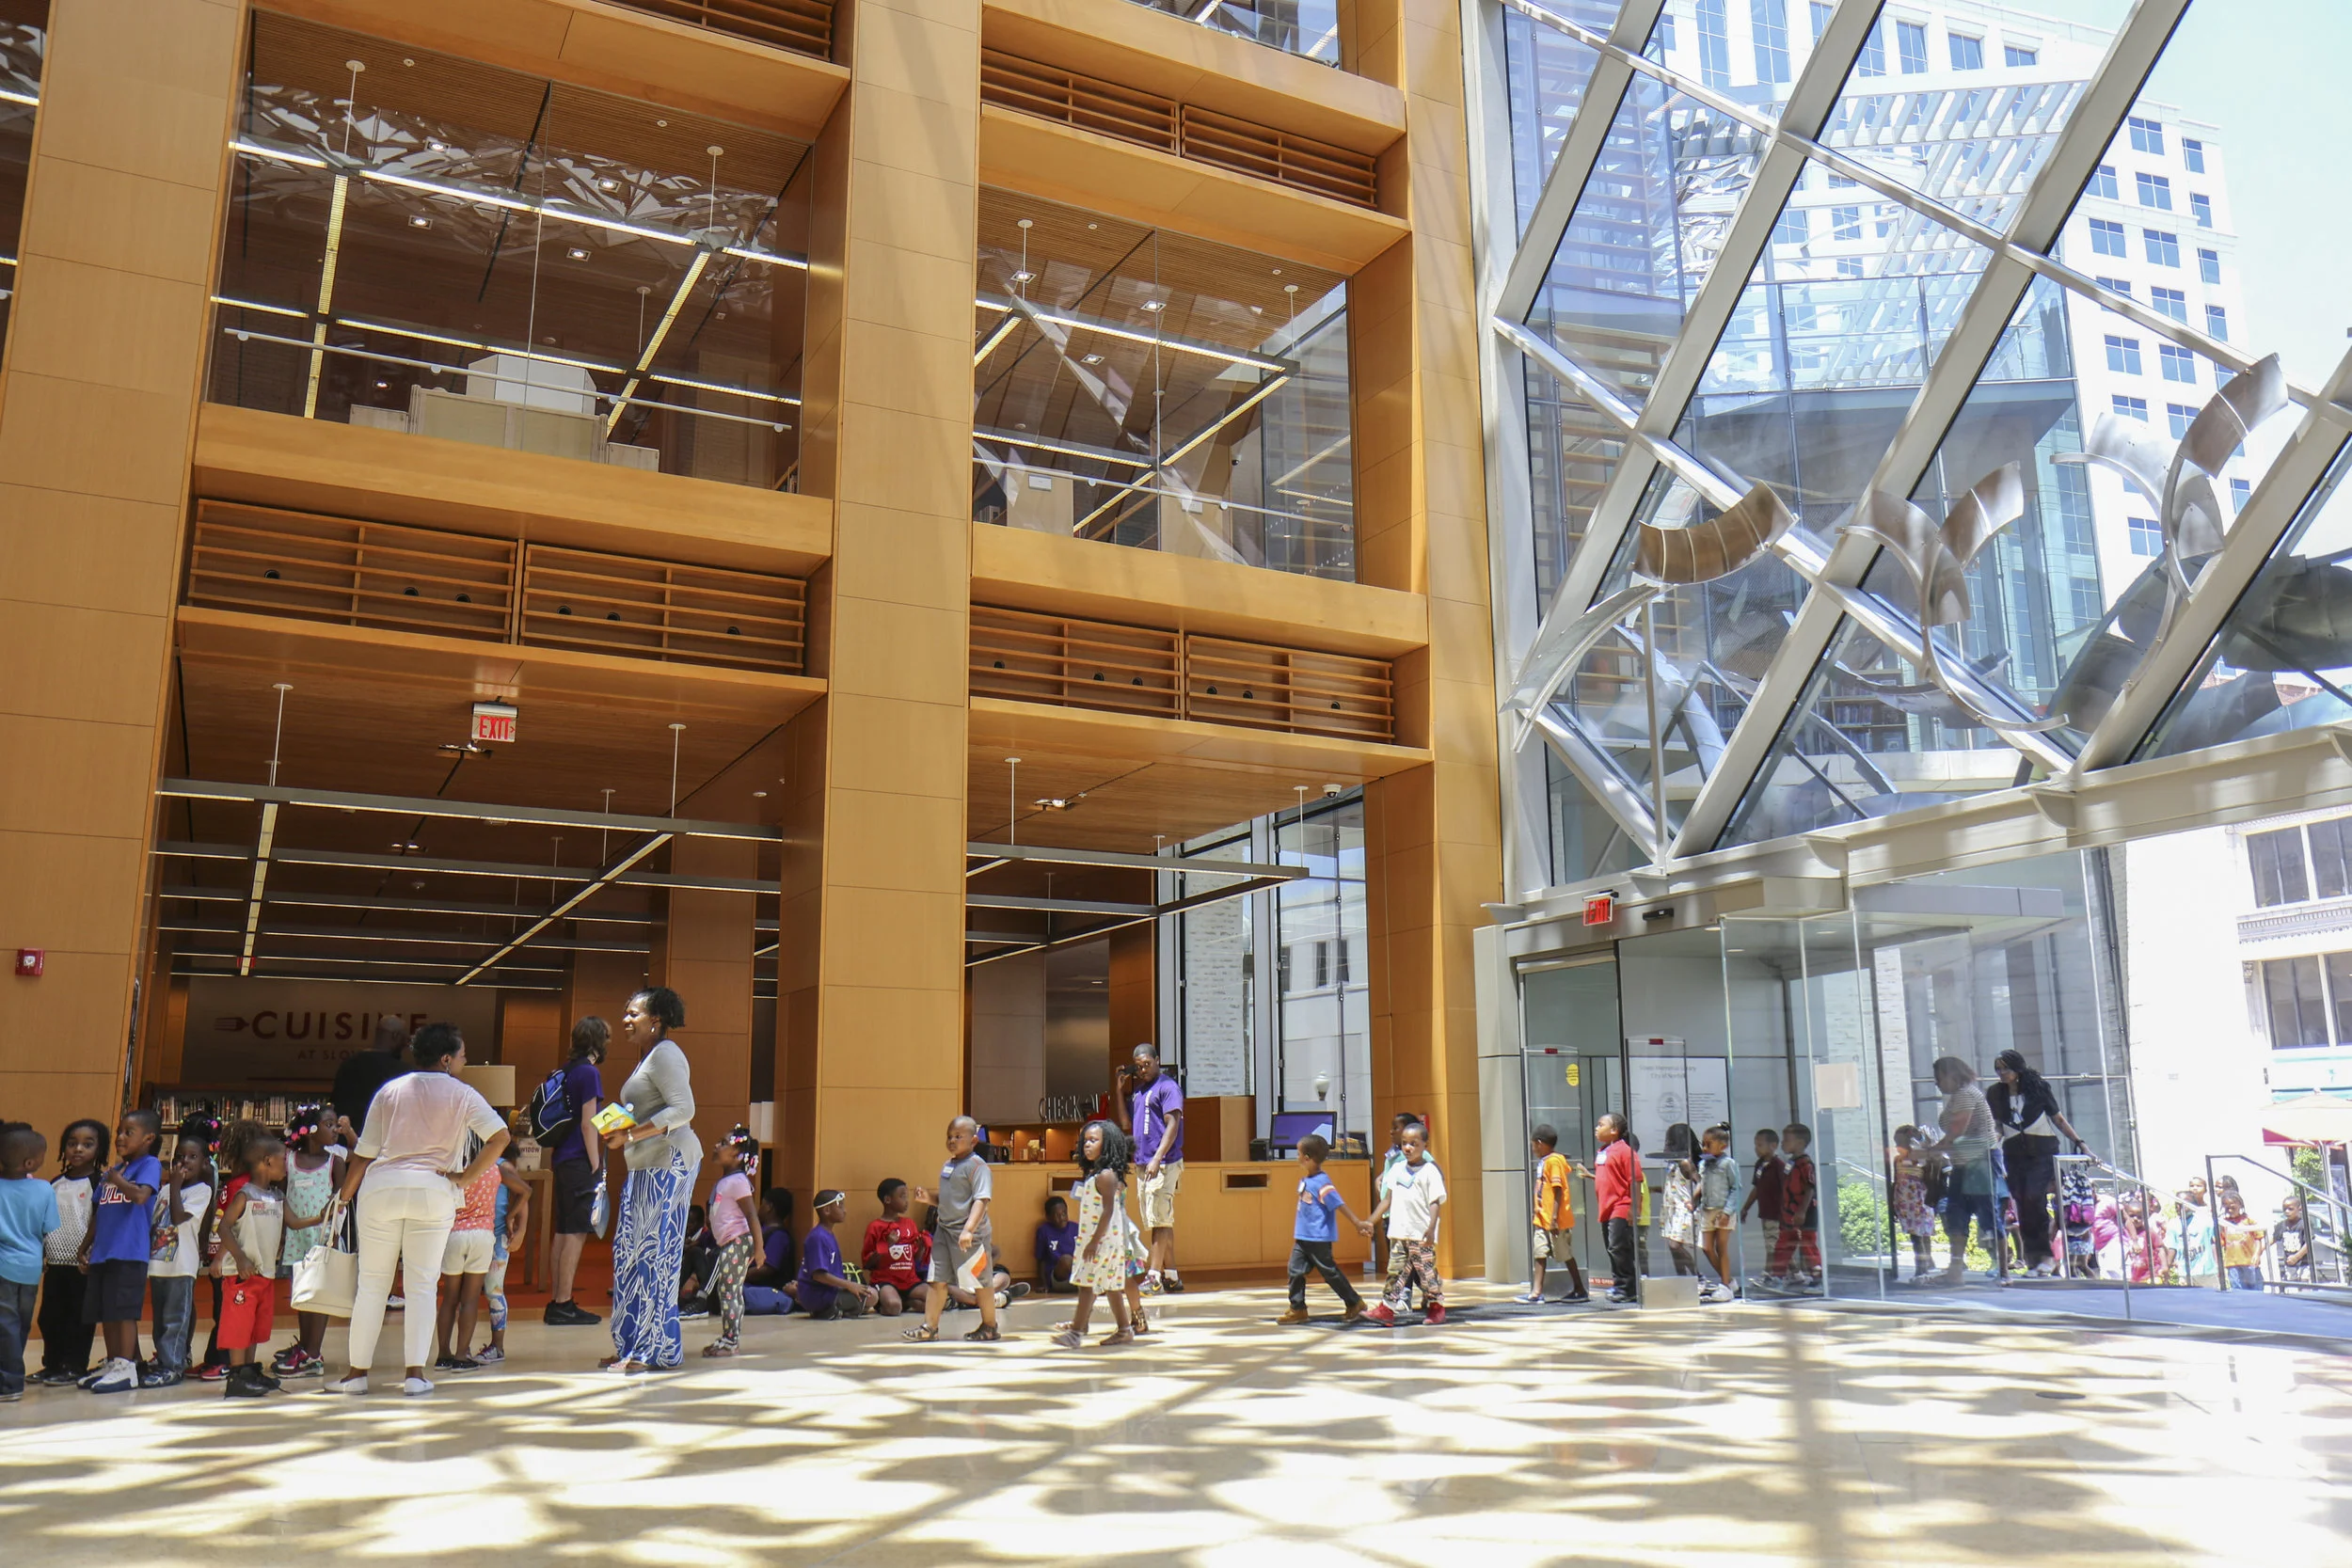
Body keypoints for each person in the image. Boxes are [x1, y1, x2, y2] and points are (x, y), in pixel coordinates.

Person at [332, 1022, 510, 1397]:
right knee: (422, 1286)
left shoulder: (391, 1090)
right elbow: (500, 1138)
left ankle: (356, 1374)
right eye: (462, 1055)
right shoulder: (463, 1095)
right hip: (434, 1191)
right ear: (446, 1059)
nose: (464, 1060)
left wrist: (344, 1198)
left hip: (381, 1190)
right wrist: (465, 1177)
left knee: (372, 1286)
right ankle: (415, 1374)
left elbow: (364, 1154)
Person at [599, 987, 701, 1374]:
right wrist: (624, 1131)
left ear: (656, 1019)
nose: (626, 1019)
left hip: (668, 1163)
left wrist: (632, 1134)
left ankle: (654, 1349)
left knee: (655, 1255)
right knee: (629, 1255)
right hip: (645, 1167)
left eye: (634, 1013)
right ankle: (629, 1343)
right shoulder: (651, 1057)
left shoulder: (666, 1055)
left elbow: (684, 1108)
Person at [77, 1110, 161, 1395]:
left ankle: (128, 1367)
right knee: (107, 1311)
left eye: (128, 1132)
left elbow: (140, 1196)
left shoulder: (149, 1165)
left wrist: (116, 1180)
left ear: (148, 1138)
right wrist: (85, 1245)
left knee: (124, 1311)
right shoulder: (115, 1171)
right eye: (119, 1132)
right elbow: (99, 1211)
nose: (120, 1138)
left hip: (129, 1252)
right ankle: (114, 1363)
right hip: (104, 1251)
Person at [905, 1116, 1007, 1343]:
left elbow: (981, 1200)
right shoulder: (949, 1164)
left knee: (981, 1282)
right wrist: (929, 1198)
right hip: (944, 1231)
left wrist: (969, 1230)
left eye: (958, 1136)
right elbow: (949, 1200)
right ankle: (929, 1327)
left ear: (973, 1140)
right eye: (949, 1136)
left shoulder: (978, 1167)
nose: (952, 1140)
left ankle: (990, 1326)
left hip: (969, 1236)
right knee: (936, 1279)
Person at [1986, 1049, 2087, 1278]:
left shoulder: (2038, 1089)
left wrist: (2080, 1143)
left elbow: (2057, 1118)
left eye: (2006, 1068)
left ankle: (2047, 1257)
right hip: (2014, 1152)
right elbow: (1999, 1125)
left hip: (2041, 1150)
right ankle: (2034, 1260)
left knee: (2033, 1196)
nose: (2001, 1073)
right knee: (2021, 1202)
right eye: (1998, 1069)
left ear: (2017, 1068)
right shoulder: (1995, 1093)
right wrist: (1991, 1142)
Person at [541, 1016, 610, 1327]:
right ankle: (565, 1301)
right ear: (598, 1041)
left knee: (563, 1230)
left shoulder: (564, 1070)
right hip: (579, 1160)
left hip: (561, 1159)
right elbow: (588, 1123)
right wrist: (596, 1163)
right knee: (577, 1232)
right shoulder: (589, 1073)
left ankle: (558, 1300)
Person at [1055, 1120, 1145, 1347]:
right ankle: (1124, 1329)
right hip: (1100, 1239)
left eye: (1094, 1141)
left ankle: (1076, 1333)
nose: (1087, 1145)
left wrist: (1094, 1242)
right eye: (1086, 1140)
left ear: (1107, 1145)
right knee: (1112, 1286)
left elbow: (1108, 1210)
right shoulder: (1097, 1174)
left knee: (1087, 1284)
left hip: (1101, 1240)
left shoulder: (1105, 1176)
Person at [215, 1127, 289, 1400]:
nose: (286, 1165)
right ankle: (236, 1377)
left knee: (256, 1326)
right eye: (283, 1160)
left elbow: (291, 1222)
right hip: (243, 1274)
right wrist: (237, 1257)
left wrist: (324, 1214)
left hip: (266, 1273)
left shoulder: (277, 1196)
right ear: (268, 1161)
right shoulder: (244, 1193)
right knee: (239, 1325)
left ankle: (248, 1370)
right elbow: (226, 1227)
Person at [270, 1108, 342, 1378]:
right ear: (312, 1129)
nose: (335, 1129)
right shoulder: (289, 1161)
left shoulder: (335, 1163)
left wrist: (334, 1232)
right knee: (302, 1296)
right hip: (297, 1238)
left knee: (319, 1296)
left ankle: (313, 1354)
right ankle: (305, 1345)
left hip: (323, 1239)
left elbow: (340, 1201)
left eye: (335, 1124)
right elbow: (283, 1193)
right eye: (329, 1124)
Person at [32, 1118, 103, 1386]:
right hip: (56, 1262)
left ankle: (74, 1365)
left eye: (87, 1144)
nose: (78, 1149)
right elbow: (44, 1222)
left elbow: (99, 1220)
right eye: (72, 1144)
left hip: (82, 1263)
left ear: (100, 1148)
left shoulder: (98, 1182)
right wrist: (42, 1254)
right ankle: (51, 1364)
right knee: (50, 1316)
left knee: (78, 1316)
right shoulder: (55, 1183)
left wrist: (90, 1253)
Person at [1112, 1042, 1185, 1295]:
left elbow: (1172, 1124)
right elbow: (1125, 1123)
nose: (1143, 1070)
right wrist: (1120, 1092)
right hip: (1143, 1162)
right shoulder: (1140, 1091)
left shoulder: (1168, 1087)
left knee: (1158, 1220)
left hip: (1163, 1163)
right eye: (1139, 1067)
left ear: (1157, 1061)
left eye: (1147, 1064)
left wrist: (1157, 1158)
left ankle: (1154, 1276)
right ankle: (1172, 1276)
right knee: (1159, 1218)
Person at [142, 1135, 212, 1388]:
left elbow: (180, 1217)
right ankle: (165, 1359)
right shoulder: (163, 1190)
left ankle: (172, 1367)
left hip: (181, 1265)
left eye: (192, 1157)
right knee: (160, 1319)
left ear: (204, 1163)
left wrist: (174, 1185)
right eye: (180, 1156)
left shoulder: (201, 1191)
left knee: (175, 1319)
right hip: (158, 1264)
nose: (184, 1161)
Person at [1278, 1132, 1368, 1325]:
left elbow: (1338, 1204)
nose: (1297, 1157)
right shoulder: (1305, 1180)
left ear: (1307, 1158)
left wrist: (1357, 1223)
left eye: (1298, 1153)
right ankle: (1298, 1308)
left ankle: (1354, 1302)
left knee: (1330, 1273)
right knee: (1295, 1270)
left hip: (1318, 1238)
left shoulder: (1322, 1183)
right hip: (1303, 1237)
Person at [433, 1132, 502, 1374]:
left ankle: (443, 1355)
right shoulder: (493, 1169)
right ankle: (462, 1355)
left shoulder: (449, 1171)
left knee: (449, 1298)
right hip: (482, 1236)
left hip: (453, 1235)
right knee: (470, 1299)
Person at [1365, 1120, 1447, 1325]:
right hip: (1399, 1232)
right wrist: (1371, 1221)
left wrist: (1431, 1228)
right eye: (1404, 1143)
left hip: (1421, 1234)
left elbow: (1435, 1202)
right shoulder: (1397, 1169)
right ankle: (1387, 1309)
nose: (1408, 1148)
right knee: (1395, 1270)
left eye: (1413, 1143)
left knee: (1426, 1272)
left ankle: (1436, 1307)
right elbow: (1387, 1200)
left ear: (1425, 1146)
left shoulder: (1430, 1171)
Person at [1931, 1057, 2001, 1286]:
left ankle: (2003, 1270)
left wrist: (1933, 1150)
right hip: (1965, 1162)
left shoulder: (1966, 1095)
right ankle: (1955, 1269)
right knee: (1957, 1214)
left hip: (1979, 1162)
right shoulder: (1961, 1096)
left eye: (1938, 1078)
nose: (1937, 1084)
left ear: (1951, 1076)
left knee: (1987, 1213)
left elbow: (1956, 1131)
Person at [0, 1124, 57, 1402]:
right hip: (32, 1268)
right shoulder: (44, 1189)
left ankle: (9, 1382)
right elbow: (49, 1227)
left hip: (3, 1267)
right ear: (30, 1163)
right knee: (20, 1324)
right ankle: (11, 1376)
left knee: (5, 1324)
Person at [702, 1127, 761, 1355]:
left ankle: (731, 1341)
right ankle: (729, 1337)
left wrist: (759, 1248)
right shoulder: (727, 1180)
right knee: (727, 1290)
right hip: (729, 1243)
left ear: (737, 1153)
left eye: (723, 1143)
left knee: (729, 1291)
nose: (717, 1146)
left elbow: (751, 1216)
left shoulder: (738, 1181)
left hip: (737, 1242)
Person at [1523, 1123, 1586, 1304]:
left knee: (1564, 1254)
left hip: (1556, 1220)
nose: (1533, 1148)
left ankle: (1579, 1288)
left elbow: (1558, 1190)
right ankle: (1536, 1292)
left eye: (1533, 1144)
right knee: (1540, 1252)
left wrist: (1553, 1219)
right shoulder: (1544, 1162)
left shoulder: (1554, 1161)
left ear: (1540, 1143)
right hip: (1541, 1218)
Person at [476, 1150, 529, 1364]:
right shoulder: (466, 1161)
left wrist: (520, 1227)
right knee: (468, 1293)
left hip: (497, 1237)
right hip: (474, 1234)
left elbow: (524, 1195)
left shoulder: (502, 1166)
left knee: (493, 1290)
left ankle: (498, 1346)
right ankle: (461, 1350)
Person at [332, 1015, 414, 1148]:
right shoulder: (402, 1072)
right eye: (405, 1039)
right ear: (395, 1036)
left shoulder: (349, 1064)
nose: (406, 1044)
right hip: (382, 1147)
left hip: (345, 1144)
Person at [798, 1190, 878, 1320]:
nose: (844, 1210)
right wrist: (849, 1285)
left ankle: (835, 1310)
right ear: (827, 1210)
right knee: (871, 1296)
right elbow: (818, 1275)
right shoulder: (818, 1237)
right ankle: (827, 1309)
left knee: (870, 1294)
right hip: (818, 1293)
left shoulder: (827, 1234)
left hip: (827, 1290)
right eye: (840, 1206)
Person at [862, 1180, 929, 1318]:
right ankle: (887, 1302)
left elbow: (915, 1259)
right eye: (902, 1196)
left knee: (935, 1302)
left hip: (910, 1280)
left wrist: (921, 1246)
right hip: (886, 1280)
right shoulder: (875, 1226)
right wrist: (886, 1245)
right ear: (887, 1200)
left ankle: (906, 1301)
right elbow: (867, 1263)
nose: (907, 1201)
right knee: (893, 1308)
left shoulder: (909, 1223)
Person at [1591, 1111, 1638, 1305]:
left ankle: (1627, 1288)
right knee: (1612, 1248)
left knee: (1619, 1248)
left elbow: (1634, 1180)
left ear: (1614, 1130)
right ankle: (1618, 1284)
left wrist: (1633, 1209)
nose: (1597, 1128)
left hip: (1621, 1206)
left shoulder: (1625, 1151)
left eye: (1601, 1125)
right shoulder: (1603, 1151)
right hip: (1605, 1208)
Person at [1770, 1122, 1821, 1289]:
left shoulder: (1805, 1164)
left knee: (1808, 1246)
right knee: (1783, 1246)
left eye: (1787, 1140)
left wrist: (1802, 1211)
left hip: (1802, 1215)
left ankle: (1818, 1278)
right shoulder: (1791, 1163)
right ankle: (1778, 1276)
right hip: (1789, 1215)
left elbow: (1810, 1188)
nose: (1783, 1143)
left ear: (1799, 1143)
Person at [1696, 1124, 1739, 1302]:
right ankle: (1728, 1281)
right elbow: (1701, 1185)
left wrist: (1728, 1212)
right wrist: (1693, 1201)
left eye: (1709, 1144)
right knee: (1706, 1248)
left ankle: (1725, 1286)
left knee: (1721, 1247)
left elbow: (1736, 1188)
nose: (1705, 1148)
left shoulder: (1729, 1164)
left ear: (1722, 1146)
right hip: (1707, 1210)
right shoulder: (1703, 1164)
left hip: (1723, 1211)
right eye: (1703, 1144)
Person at [1890, 1126, 1938, 1280]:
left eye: (1900, 1142)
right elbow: (1895, 1180)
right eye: (1896, 1142)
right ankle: (1924, 1264)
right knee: (1916, 1235)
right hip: (1905, 1202)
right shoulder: (1897, 1160)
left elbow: (1931, 1175)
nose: (1897, 1146)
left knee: (1920, 1235)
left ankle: (1922, 1267)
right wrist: (1893, 1204)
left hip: (1919, 1200)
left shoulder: (1920, 1157)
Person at [1738, 1126, 1783, 1286]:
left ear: (1773, 1145)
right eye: (1755, 1145)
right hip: (1765, 1212)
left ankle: (1767, 1274)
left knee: (1773, 1246)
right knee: (1775, 1244)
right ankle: (1796, 1274)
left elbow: (1785, 1189)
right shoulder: (1760, 1164)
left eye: (1760, 1145)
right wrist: (1745, 1208)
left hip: (1777, 1213)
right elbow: (1756, 1189)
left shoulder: (1779, 1166)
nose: (1757, 1149)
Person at [1660, 1121, 1702, 1282]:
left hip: (1683, 1209)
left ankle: (1698, 1276)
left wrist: (1693, 1200)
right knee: (1674, 1249)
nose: (1666, 1146)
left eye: (1669, 1143)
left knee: (1674, 1245)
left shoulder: (1685, 1163)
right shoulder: (1674, 1163)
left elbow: (1700, 1182)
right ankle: (1683, 1280)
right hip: (1672, 1209)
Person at [2217, 1191, 2265, 1291]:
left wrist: (2257, 1254)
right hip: (2232, 1264)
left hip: (2249, 1262)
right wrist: (2219, 1262)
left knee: (2255, 1288)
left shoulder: (2249, 1221)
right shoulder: (2224, 1224)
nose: (2230, 1210)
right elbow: (2220, 1243)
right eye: (2227, 1208)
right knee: (2237, 1289)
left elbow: (2258, 1239)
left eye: (2233, 1207)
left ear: (2240, 1205)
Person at [1034, 1196, 1079, 1293]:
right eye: (1057, 1215)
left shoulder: (1076, 1228)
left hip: (1077, 1277)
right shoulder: (1044, 1231)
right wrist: (1044, 1284)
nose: (1062, 1217)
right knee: (1067, 1260)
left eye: (1064, 1213)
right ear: (1048, 1217)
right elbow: (1041, 1260)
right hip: (1059, 1279)